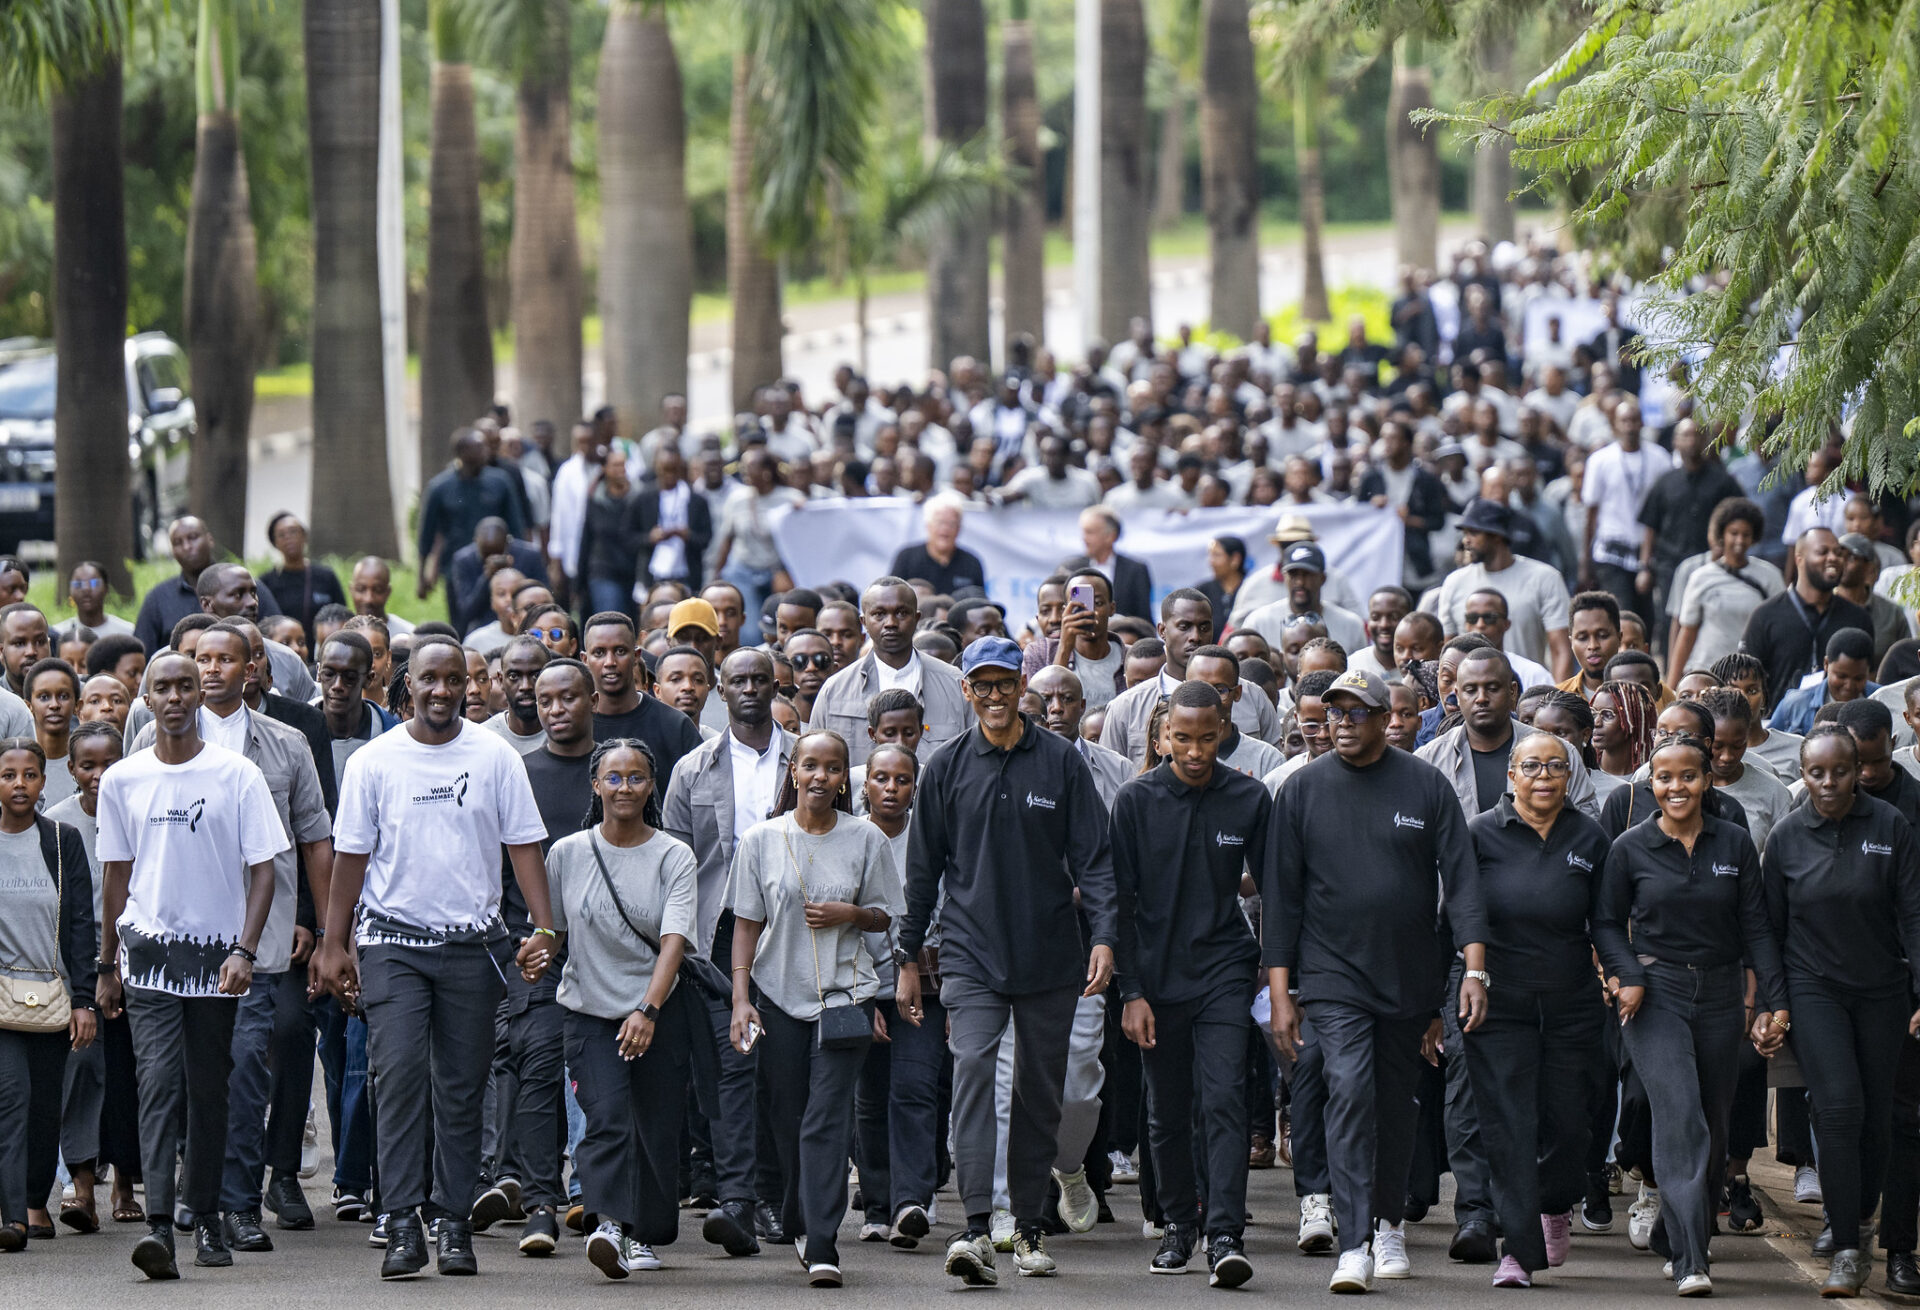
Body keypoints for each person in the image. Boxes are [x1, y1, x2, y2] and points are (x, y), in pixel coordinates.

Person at [313, 636, 555, 1279]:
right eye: (430, 680)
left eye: (455, 680)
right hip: (392, 943)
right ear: (405, 685)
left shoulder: (495, 757)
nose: (443, 691)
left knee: (460, 1087)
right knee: (397, 1080)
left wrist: (545, 928)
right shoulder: (376, 761)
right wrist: (334, 944)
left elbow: (525, 845)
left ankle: (451, 1222)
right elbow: (350, 859)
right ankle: (400, 1222)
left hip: (473, 948)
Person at [899, 636, 1118, 1285]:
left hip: (1052, 954)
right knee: (971, 1074)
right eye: (981, 685)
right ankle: (974, 1229)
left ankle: (1026, 1227)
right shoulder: (944, 768)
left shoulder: (1059, 763)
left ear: (1021, 685)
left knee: (1038, 1092)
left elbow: (1096, 861)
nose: (993, 696)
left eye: (1004, 683)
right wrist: (908, 957)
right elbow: (922, 871)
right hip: (969, 952)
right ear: (965, 691)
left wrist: (1104, 935)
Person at [1265, 668, 1487, 1293]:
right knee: (1349, 1088)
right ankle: (1355, 1241)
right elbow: (1281, 902)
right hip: (1331, 976)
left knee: (1394, 1104)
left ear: (1386, 717)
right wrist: (1282, 994)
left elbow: (1464, 885)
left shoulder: (1425, 785)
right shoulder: (1302, 790)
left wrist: (1473, 969)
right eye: (1333, 713)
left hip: (1410, 976)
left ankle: (1389, 1222)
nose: (1340, 723)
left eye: (1355, 712)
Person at [127, 622, 334, 1252]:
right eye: (199, 659)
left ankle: (235, 1203)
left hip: (260, 937)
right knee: (193, 1074)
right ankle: (200, 1199)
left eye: (225, 660)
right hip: (171, 941)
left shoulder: (285, 743)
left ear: (252, 669)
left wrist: (325, 931)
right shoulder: (147, 739)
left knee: (246, 1063)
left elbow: (312, 840)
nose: (210, 670)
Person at [95, 652, 287, 1279]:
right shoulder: (124, 779)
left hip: (216, 963)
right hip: (147, 958)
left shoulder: (236, 775)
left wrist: (245, 950)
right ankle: (158, 1227)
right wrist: (106, 963)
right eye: (163, 688)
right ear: (145, 699)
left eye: (185, 686)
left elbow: (265, 868)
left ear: (198, 697)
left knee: (210, 1088)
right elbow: (116, 875)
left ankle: (204, 1214)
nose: (175, 697)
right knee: (158, 1086)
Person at [1591, 730, 1787, 1296]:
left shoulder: (1733, 842)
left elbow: (1756, 926)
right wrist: (1626, 974)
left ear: (1706, 781)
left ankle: (1677, 1231)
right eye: (1665, 777)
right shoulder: (1630, 846)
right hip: (1656, 993)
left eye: (1688, 776)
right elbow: (1605, 921)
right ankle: (1690, 1257)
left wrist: (1774, 1001)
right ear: (1651, 783)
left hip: (1723, 994)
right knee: (1681, 1116)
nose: (1676, 786)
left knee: (1715, 1123)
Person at [728, 729, 900, 1287]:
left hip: (846, 997)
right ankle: (800, 1218)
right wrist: (740, 999)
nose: (821, 777)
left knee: (827, 1119)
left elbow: (884, 918)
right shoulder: (761, 839)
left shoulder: (867, 837)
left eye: (832, 768)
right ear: (793, 773)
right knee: (787, 1117)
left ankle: (824, 1242)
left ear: (843, 776)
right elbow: (746, 924)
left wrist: (849, 913)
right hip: (777, 997)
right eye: (810, 766)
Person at [1113, 680, 1268, 1286]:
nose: (1196, 750)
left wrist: (1276, 978)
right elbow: (1117, 904)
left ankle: (1226, 1231)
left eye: (1207, 737)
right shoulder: (1134, 801)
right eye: (1182, 738)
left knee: (1225, 1097)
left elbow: (1274, 889)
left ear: (1224, 730)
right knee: (1167, 1110)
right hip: (1154, 977)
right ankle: (1180, 1224)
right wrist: (1131, 992)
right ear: (1162, 736)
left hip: (1226, 967)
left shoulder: (1250, 798)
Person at [1762, 725, 1920, 1295]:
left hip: (1882, 992)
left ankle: (1860, 1217)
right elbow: (1769, 930)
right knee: (1838, 1110)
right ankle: (1848, 1250)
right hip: (1814, 989)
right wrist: (1775, 1002)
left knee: (1877, 1116)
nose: (1828, 783)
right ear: (1802, 774)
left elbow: (1913, 914)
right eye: (1816, 772)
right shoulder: (1785, 836)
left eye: (1840, 771)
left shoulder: (1890, 826)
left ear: (1859, 771)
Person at [1460, 732, 1611, 1287]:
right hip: (1499, 1002)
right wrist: (1459, 983)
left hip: (1572, 1002)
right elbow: (1460, 912)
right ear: (1511, 776)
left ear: (1569, 776)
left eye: (1555, 766)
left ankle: (1555, 1203)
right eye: (1531, 766)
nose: (1543, 775)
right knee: (1509, 1125)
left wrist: (1619, 974)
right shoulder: (1480, 834)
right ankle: (1518, 1251)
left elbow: (1607, 919)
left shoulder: (1589, 837)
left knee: (1571, 1122)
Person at [546, 737, 698, 1277]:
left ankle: (643, 1235)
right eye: (614, 778)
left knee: (656, 1127)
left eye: (636, 777)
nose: (625, 787)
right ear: (596, 785)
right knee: (607, 1118)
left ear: (651, 784)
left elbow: (674, 942)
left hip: (660, 1011)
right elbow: (555, 929)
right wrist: (535, 948)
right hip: (588, 1012)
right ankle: (609, 1222)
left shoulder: (674, 855)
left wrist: (648, 1010)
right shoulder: (567, 853)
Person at [662, 647, 793, 1255]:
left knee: (782, 1071)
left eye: (759, 680)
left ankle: (775, 1193)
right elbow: (677, 863)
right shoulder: (694, 768)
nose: (748, 689)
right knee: (734, 1067)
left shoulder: (806, 756)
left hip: (793, 932)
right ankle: (738, 1197)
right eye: (737, 680)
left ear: (773, 685)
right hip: (718, 934)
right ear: (721, 687)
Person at [479, 659, 597, 1253]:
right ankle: (540, 1202)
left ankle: (597, 1198)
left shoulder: (616, 771)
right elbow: (497, 866)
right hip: (536, 948)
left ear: (591, 698)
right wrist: (517, 938)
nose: (554, 708)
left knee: (599, 1079)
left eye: (567, 697)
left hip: (607, 951)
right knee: (538, 1070)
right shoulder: (516, 772)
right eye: (545, 699)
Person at [0, 738, 96, 1251]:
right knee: (11, 1097)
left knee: (43, 1107)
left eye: (30, 775)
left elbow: (81, 924)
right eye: (8, 774)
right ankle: (12, 1216)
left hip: (51, 995)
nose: (19, 784)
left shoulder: (61, 842)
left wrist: (84, 1000)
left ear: (43, 781)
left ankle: (36, 1199)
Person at [810, 577, 971, 765]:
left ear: (917, 618)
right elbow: (814, 761)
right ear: (864, 621)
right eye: (879, 614)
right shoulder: (835, 689)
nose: (891, 623)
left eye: (902, 613)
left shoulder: (955, 684)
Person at [1433, 499, 1575, 680]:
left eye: (1474, 532)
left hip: (1528, 691)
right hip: (1472, 696)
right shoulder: (1454, 582)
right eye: (1465, 533)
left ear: (1497, 535)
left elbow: (1560, 649)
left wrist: (1557, 700)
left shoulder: (1545, 578)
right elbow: (1447, 654)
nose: (1466, 541)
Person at [1742, 528, 1874, 713]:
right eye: (1823, 552)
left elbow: (1869, 678)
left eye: (1838, 553)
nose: (1833, 558)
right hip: (1780, 727)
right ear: (1799, 559)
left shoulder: (1858, 618)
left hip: (1843, 726)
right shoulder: (1765, 616)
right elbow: (1747, 681)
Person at [1635, 420, 1742, 644]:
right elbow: (1650, 527)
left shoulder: (1723, 481)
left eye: (1696, 435)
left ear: (1705, 441)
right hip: (1669, 566)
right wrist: (1645, 566)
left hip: (1711, 563)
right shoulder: (1665, 482)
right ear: (1675, 441)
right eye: (1685, 436)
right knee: (1669, 620)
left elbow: (1739, 517)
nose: (1691, 441)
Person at [416, 429, 529, 615]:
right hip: (456, 568)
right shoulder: (440, 487)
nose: (485, 450)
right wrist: (422, 575)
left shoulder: (500, 481)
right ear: (461, 452)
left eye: (484, 446)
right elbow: (427, 532)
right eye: (478, 447)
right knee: (462, 618)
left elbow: (516, 525)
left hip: (499, 563)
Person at [581, 613, 702, 781]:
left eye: (620, 651)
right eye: (599, 652)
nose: (610, 662)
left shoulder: (675, 725)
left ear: (636, 656)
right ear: (585, 660)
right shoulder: (576, 726)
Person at [1669, 498, 1781, 676]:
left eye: (1746, 534)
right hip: (1705, 671)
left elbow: (1778, 629)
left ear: (1754, 537)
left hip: (1748, 675)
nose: (1739, 540)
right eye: (1733, 533)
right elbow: (1687, 634)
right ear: (1722, 534)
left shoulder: (1770, 576)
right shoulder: (1701, 577)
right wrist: (1672, 686)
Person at [714, 449, 804, 618]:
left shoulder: (791, 499)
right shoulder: (736, 499)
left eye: (750, 467)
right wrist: (717, 574)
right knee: (750, 627)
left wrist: (801, 512)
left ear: (766, 472)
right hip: (744, 570)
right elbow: (727, 539)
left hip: (776, 572)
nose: (744, 471)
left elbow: (803, 535)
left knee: (778, 619)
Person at [1022, 569, 1125, 713]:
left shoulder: (1128, 656)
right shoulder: (1039, 653)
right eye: (1078, 605)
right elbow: (1040, 713)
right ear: (1066, 610)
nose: (1089, 611)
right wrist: (1065, 647)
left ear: (1112, 608)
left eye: (1097, 602)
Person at [1243, 541, 1367, 657]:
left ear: (1323, 578)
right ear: (1284, 577)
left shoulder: (1351, 625)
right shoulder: (1259, 622)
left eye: (1307, 574)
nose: (1300, 582)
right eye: (1293, 574)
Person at [257, 513, 345, 649]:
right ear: (275, 543)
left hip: (323, 653)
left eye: (293, 532)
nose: (288, 538)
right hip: (281, 654)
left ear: (304, 536)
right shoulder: (266, 582)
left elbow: (342, 615)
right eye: (281, 535)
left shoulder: (326, 576)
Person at [1771, 627, 1878, 735]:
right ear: (1826, 664)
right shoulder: (1796, 704)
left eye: (1858, 678)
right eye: (1841, 676)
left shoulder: (1882, 699)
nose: (1849, 686)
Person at [888, 495, 986, 598]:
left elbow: (979, 604)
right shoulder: (906, 558)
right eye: (940, 522)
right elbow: (891, 597)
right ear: (928, 525)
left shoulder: (972, 563)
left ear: (959, 528)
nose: (945, 529)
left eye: (951, 524)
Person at [24, 657, 79, 809]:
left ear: (77, 705)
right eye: (44, 697)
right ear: (28, 706)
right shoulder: (14, 765)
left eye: (63, 696)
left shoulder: (87, 764)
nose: (54, 705)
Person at [53, 560, 135, 643]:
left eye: (94, 583)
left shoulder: (127, 632)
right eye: (78, 584)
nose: (86, 589)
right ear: (69, 590)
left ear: (106, 589)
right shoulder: (58, 634)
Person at [347, 557, 414, 637]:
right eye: (361, 589)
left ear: (388, 592)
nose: (369, 599)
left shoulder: (407, 635)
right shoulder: (338, 634)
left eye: (378, 590)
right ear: (351, 590)